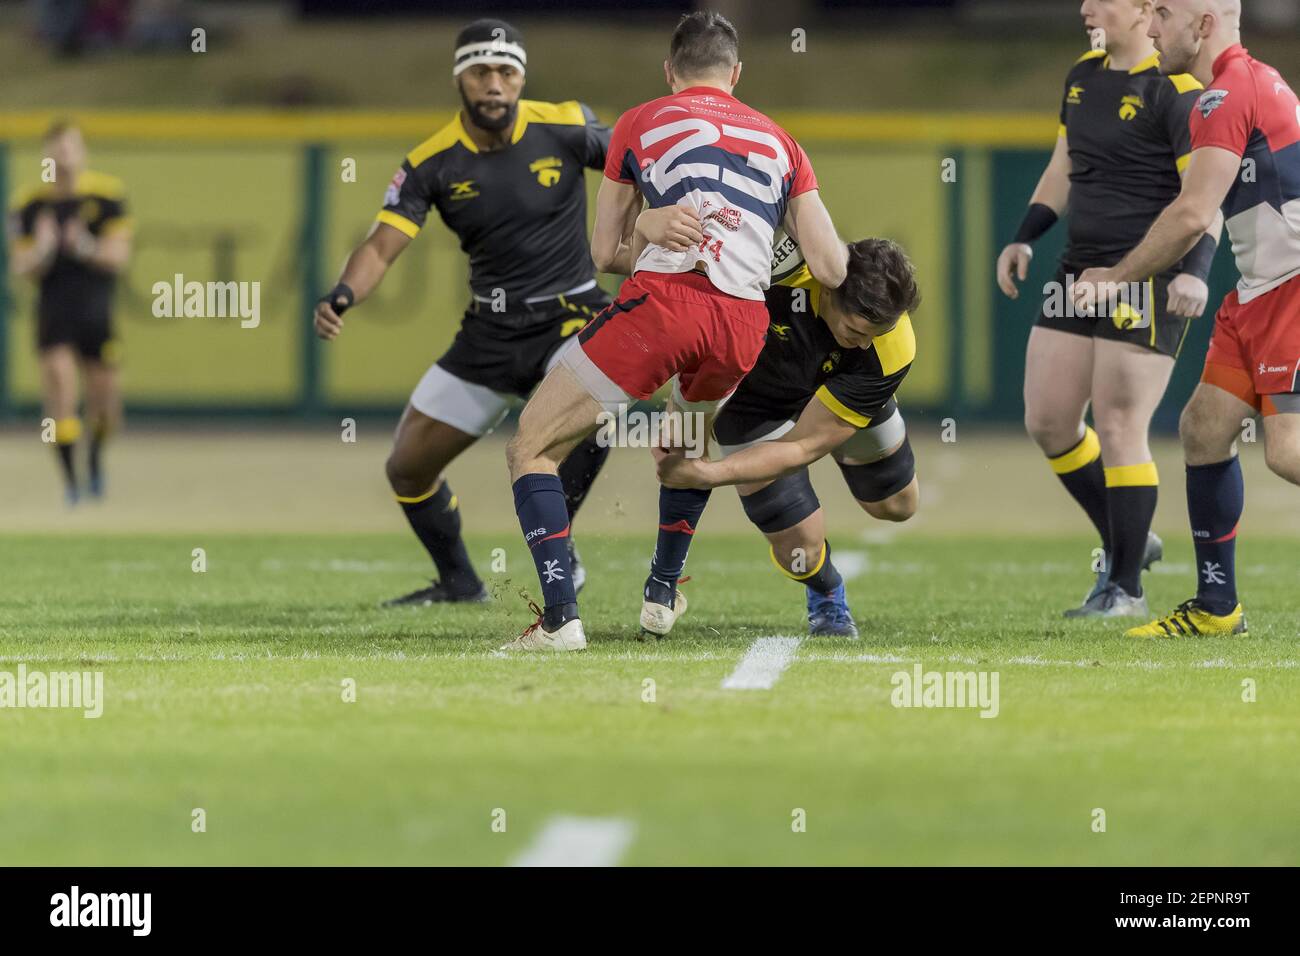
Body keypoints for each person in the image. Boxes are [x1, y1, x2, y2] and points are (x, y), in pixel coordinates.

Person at [500, 11, 847, 651]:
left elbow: (603, 254)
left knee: (532, 446)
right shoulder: (783, 142)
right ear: (736, 74)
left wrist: (649, 231)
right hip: (743, 326)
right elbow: (830, 266)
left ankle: (559, 621)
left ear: (669, 72)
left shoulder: (638, 120)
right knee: (682, 451)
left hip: (663, 313)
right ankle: (661, 592)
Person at [313, 18, 613, 607]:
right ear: (460, 80)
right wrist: (342, 294)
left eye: (507, 72)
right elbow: (379, 245)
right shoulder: (433, 161)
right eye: (481, 72)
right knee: (406, 468)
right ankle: (459, 582)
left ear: (521, 79)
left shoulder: (567, 125)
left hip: (572, 313)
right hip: (491, 331)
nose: (495, 84)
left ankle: (561, 538)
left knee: (598, 406)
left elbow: (639, 167)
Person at [1071, 0, 1300, 637]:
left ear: (1203, 23)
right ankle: (1216, 608)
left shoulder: (1225, 93)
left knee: (1288, 452)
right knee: (1202, 428)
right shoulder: (1234, 86)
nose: (1150, 26)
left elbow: (1194, 213)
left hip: (1292, 291)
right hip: (1258, 294)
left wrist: (1114, 277)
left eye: (1163, 14)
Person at [996, 0, 1220, 618]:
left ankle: (1125, 588)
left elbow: (1204, 201)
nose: (1087, 8)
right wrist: (1023, 236)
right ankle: (1129, 539)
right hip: (1078, 271)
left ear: (1147, 10)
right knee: (1048, 420)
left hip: (1144, 274)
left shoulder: (1176, 90)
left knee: (1121, 424)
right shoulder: (1082, 74)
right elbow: (1062, 166)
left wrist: (1194, 274)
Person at [648, 219, 921, 640]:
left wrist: (710, 474)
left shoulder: (887, 346)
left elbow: (801, 447)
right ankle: (828, 593)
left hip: (840, 394)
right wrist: (683, 406)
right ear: (829, 290)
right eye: (856, 331)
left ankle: (862, 414)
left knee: (898, 505)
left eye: (877, 333)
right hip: (754, 398)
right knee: (799, 548)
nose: (867, 343)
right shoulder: (770, 269)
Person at [8, 120, 132, 505]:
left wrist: (83, 246)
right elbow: (20, 264)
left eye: (70, 149)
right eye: (56, 151)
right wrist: (44, 250)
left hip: (96, 310)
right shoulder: (29, 203)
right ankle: (69, 482)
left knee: (105, 401)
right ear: (46, 156)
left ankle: (95, 459)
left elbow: (118, 257)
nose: (63, 158)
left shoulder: (107, 196)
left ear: (83, 153)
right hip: (54, 310)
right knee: (60, 389)